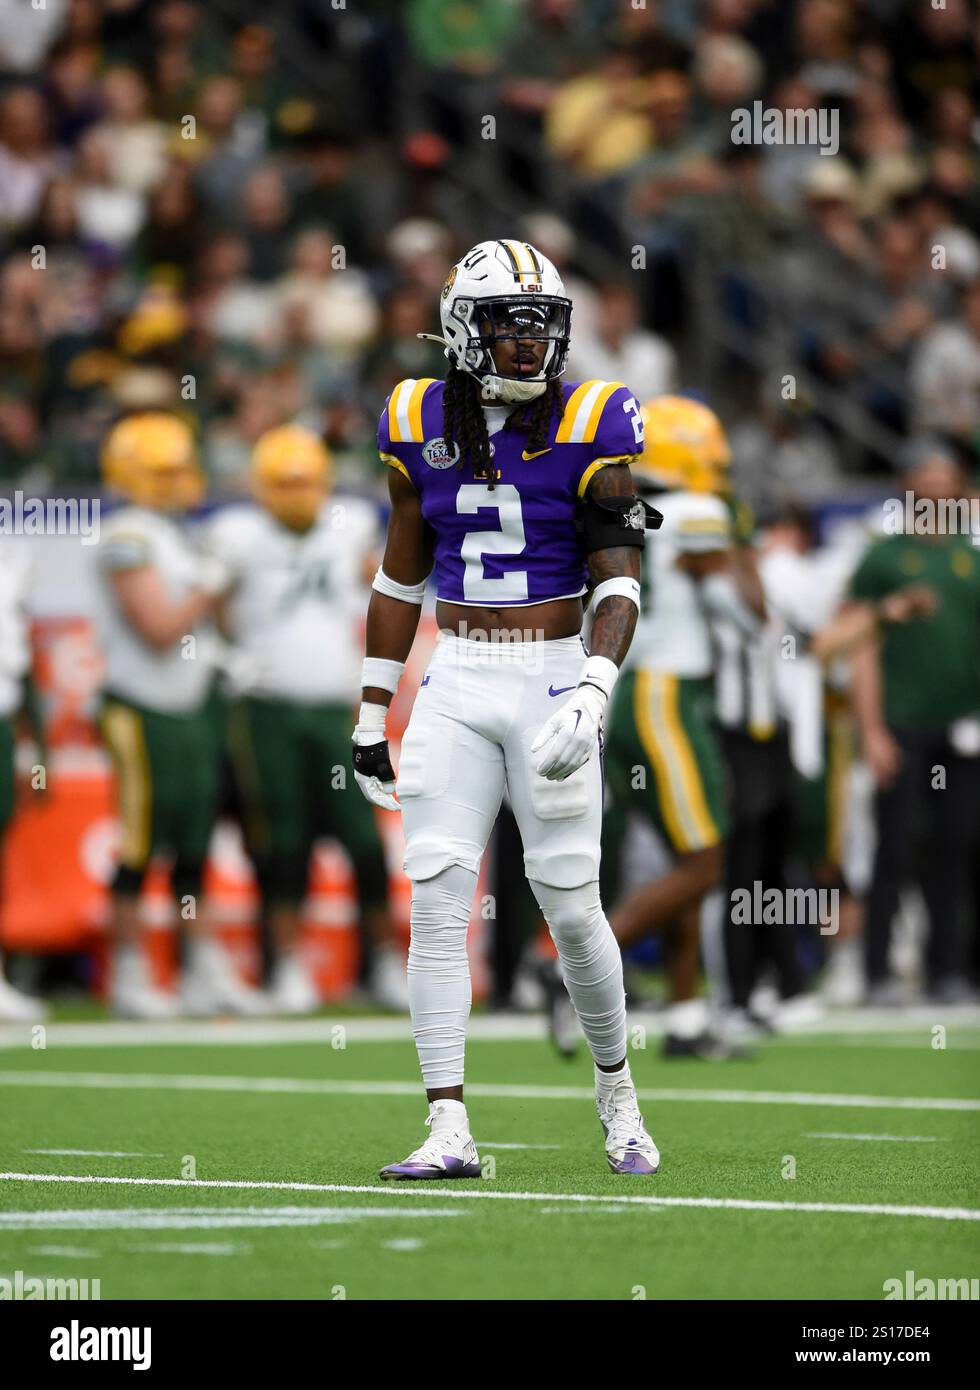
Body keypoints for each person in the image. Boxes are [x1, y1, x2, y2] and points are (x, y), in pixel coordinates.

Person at [353, 239, 661, 1178]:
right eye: (508, 325)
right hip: (459, 673)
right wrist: (372, 712)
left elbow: (619, 578)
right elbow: (401, 573)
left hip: (556, 670)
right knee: (439, 899)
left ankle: (619, 1094)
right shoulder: (414, 415)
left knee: (572, 911)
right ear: (462, 328)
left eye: (542, 326)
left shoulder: (596, 417)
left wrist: (597, 689)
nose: (530, 344)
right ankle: (449, 1127)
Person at [208, 424, 402, 1012]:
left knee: (365, 842)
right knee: (283, 842)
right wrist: (231, 656)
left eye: (304, 482)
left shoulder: (348, 527)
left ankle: (385, 965)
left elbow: (382, 590)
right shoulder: (236, 534)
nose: (296, 494)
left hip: (333, 711)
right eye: (284, 483)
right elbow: (213, 604)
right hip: (266, 711)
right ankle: (288, 966)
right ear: (261, 487)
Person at [600, 396, 764, 1057]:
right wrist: (740, 542)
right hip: (666, 693)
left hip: (623, 687)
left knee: (680, 860)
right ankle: (569, 960)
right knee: (705, 861)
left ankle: (688, 1015)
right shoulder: (700, 512)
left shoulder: (622, 506)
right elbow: (752, 617)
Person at [95, 411, 263, 1019]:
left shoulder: (175, 534)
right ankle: (130, 972)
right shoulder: (125, 535)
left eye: (178, 470)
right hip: (141, 708)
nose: (175, 482)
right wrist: (212, 584)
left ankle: (199, 969)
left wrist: (224, 652)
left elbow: (195, 633)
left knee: (194, 844)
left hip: (191, 708)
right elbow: (160, 629)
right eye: (160, 472)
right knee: (142, 843)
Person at [845, 440, 980, 1003]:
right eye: (929, 475)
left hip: (964, 723)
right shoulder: (884, 557)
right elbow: (859, 646)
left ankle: (947, 969)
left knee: (959, 845)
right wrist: (871, 729)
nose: (940, 486)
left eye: (948, 475)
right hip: (901, 722)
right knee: (895, 847)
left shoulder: (971, 555)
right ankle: (877, 972)